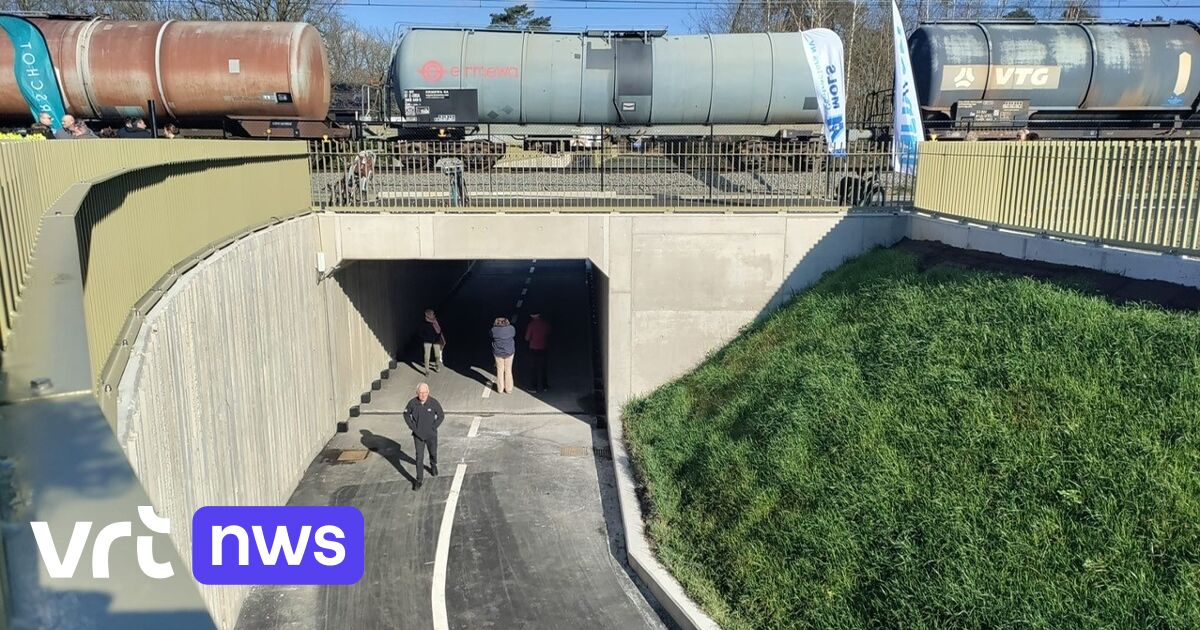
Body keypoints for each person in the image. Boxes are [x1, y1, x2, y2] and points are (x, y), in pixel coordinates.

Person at [403, 383, 443, 491]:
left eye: (425, 392)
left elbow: (441, 415)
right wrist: (413, 427)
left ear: (428, 392)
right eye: (420, 392)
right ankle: (419, 480)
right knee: (419, 458)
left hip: (431, 435)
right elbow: (406, 414)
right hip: (418, 435)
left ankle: (433, 465)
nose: (423, 394)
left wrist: (433, 427)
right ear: (417, 393)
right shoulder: (412, 403)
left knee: (433, 453)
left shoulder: (433, 402)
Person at [524, 312, 551, 392]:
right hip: (543, 347)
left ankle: (533, 387)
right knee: (543, 367)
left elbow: (527, 338)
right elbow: (549, 332)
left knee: (533, 368)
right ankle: (545, 386)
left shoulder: (531, 325)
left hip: (533, 348)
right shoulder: (545, 324)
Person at [491, 316, 516, 394]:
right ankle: (509, 389)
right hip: (509, 351)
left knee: (500, 370)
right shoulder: (511, 328)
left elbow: (491, 336)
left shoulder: (493, 330)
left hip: (498, 352)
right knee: (508, 370)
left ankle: (500, 389)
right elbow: (514, 334)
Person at [419, 308, 445, 374]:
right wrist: (425, 338)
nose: (434, 315)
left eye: (433, 314)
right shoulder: (424, 323)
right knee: (427, 356)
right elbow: (420, 333)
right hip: (427, 341)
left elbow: (439, 331)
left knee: (437, 355)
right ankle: (427, 370)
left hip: (436, 340)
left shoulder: (436, 321)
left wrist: (440, 338)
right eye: (432, 314)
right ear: (428, 315)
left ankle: (437, 366)